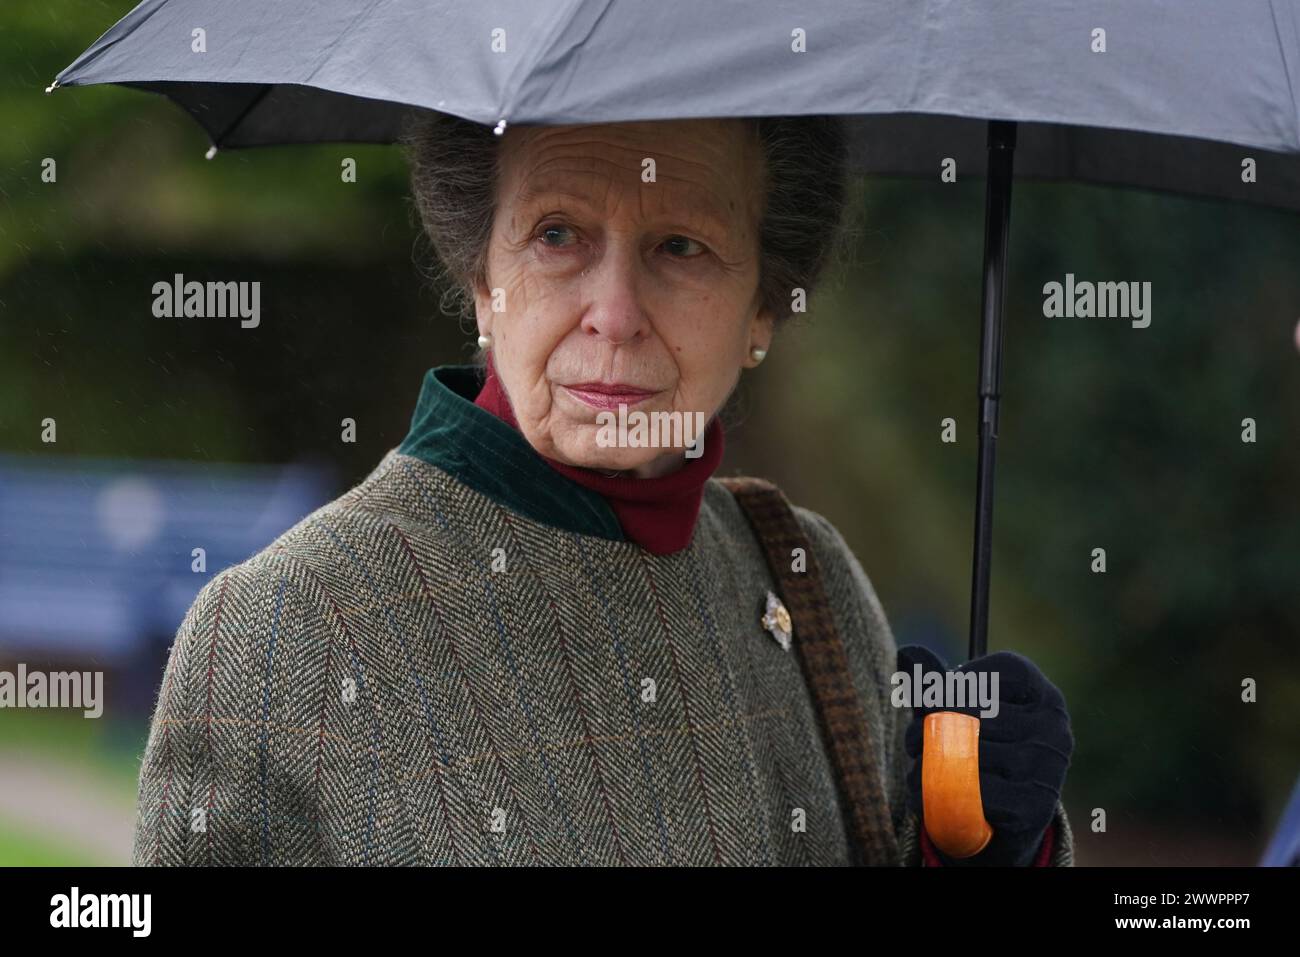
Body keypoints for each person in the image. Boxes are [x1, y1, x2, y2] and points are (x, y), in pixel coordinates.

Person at [131, 112, 1073, 866]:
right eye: (556, 234)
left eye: (681, 246)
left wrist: (985, 850)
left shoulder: (806, 575)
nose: (614, 315)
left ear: (764, 308)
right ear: (481, 280)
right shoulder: (285, 630)